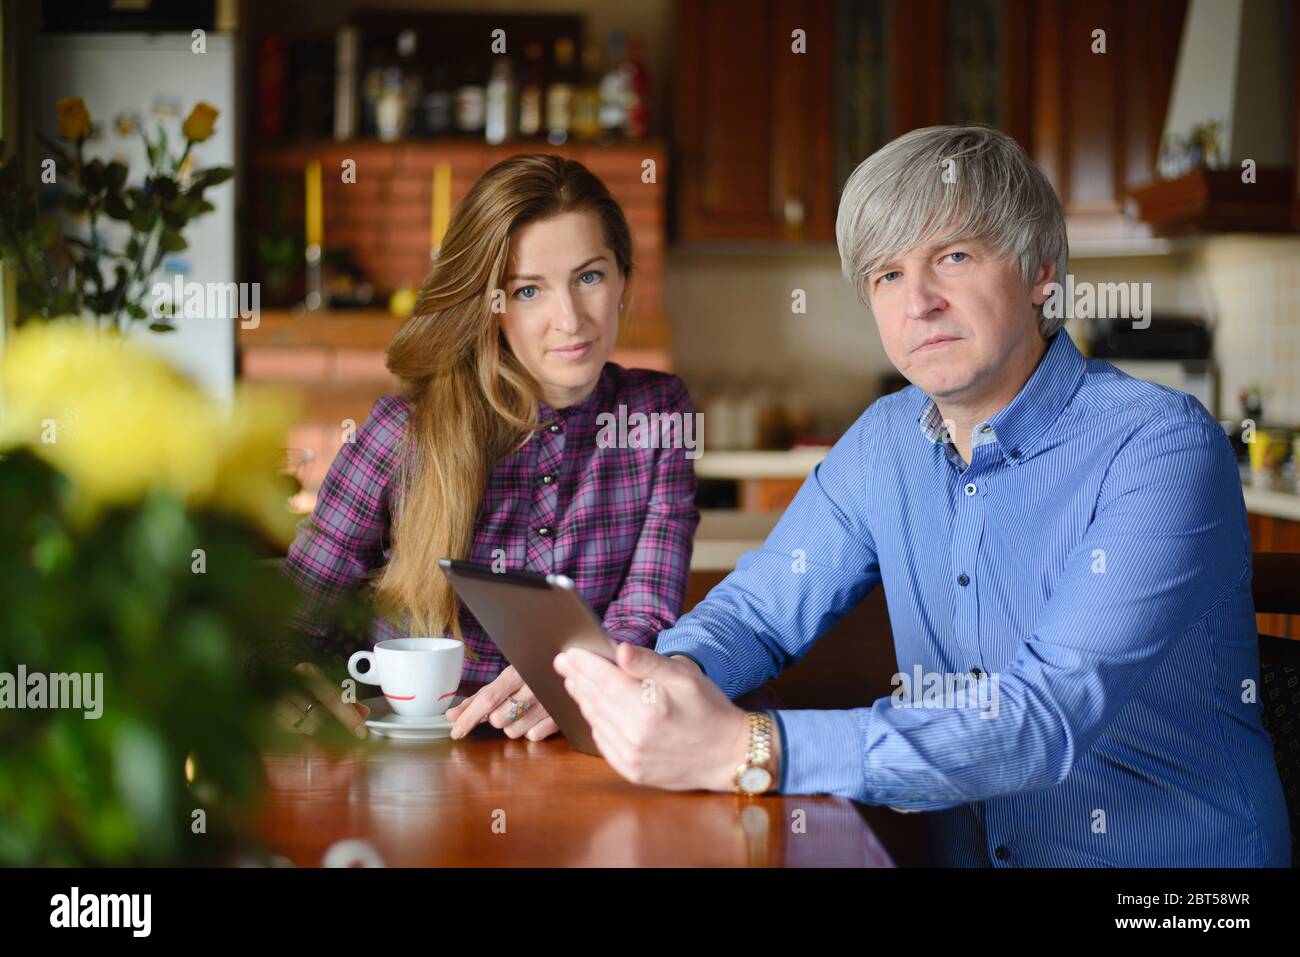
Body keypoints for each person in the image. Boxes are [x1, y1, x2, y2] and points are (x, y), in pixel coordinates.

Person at [555, 125, 1291, 867]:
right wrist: (660, 680)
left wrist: (750, 747)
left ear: (1041, 271)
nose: (920, 302)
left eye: (954, 256)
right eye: (886, 275)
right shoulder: (886, 439)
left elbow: (1040, 719)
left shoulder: (1161, 445)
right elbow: (759, 610)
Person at [278, 154, 699, 742]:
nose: (570, 319)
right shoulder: (402, 431)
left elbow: (646, 614)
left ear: (623, 277)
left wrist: (585, 680)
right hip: (412, 755)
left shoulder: (657, 414)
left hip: (579, 750)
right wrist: (289, 680)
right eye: (529, 290)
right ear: (489, 305)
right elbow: (294, 617)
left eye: (590, 277)